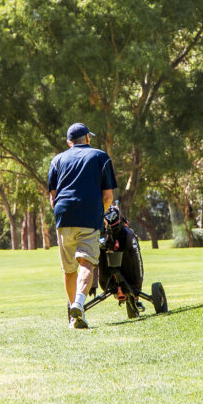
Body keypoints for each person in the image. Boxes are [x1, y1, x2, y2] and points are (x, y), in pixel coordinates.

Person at [47, 122, 117, 328]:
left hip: (63, 215)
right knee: (86, 262)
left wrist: (62, 214)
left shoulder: (57, 160)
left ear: (70, 142)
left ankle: (73, 315)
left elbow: (52, 197)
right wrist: (101, 215)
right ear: (87, 138)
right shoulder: (100, 157)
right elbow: (107, 196)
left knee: (69, 270)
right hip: (88, 216)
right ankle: (79, 303)